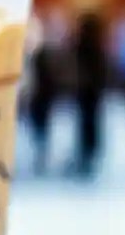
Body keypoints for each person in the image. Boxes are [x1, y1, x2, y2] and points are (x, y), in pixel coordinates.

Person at [70, 12, 108, 179]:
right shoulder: (98, 46)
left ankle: (86, 153)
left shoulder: (83, 45)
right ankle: (90, 152)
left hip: (85, 89)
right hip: (93, 90)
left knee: (86, 123)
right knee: (92, 122)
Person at [24, 13, 63, 174]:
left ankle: (42, 154)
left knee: (41, 127)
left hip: (42, 96)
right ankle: (41, 153)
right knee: (39, 127)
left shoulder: (43, 55)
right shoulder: (35, 56)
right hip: (39, 96)